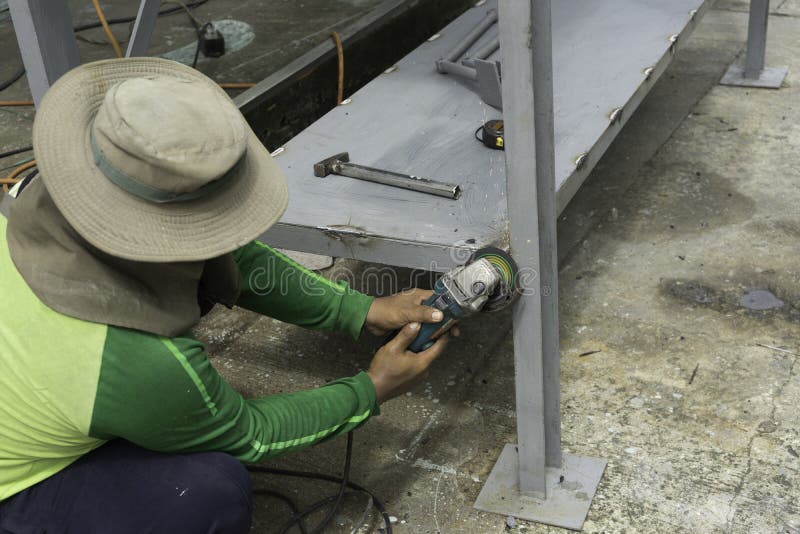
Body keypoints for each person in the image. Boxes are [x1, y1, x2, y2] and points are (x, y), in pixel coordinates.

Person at [0, 58, 451, 533]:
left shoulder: (45, 197)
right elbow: (249, 434)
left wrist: (361, 309)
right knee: (206, 493)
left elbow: (230, 259)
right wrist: (372, 388)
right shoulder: (137, 360)